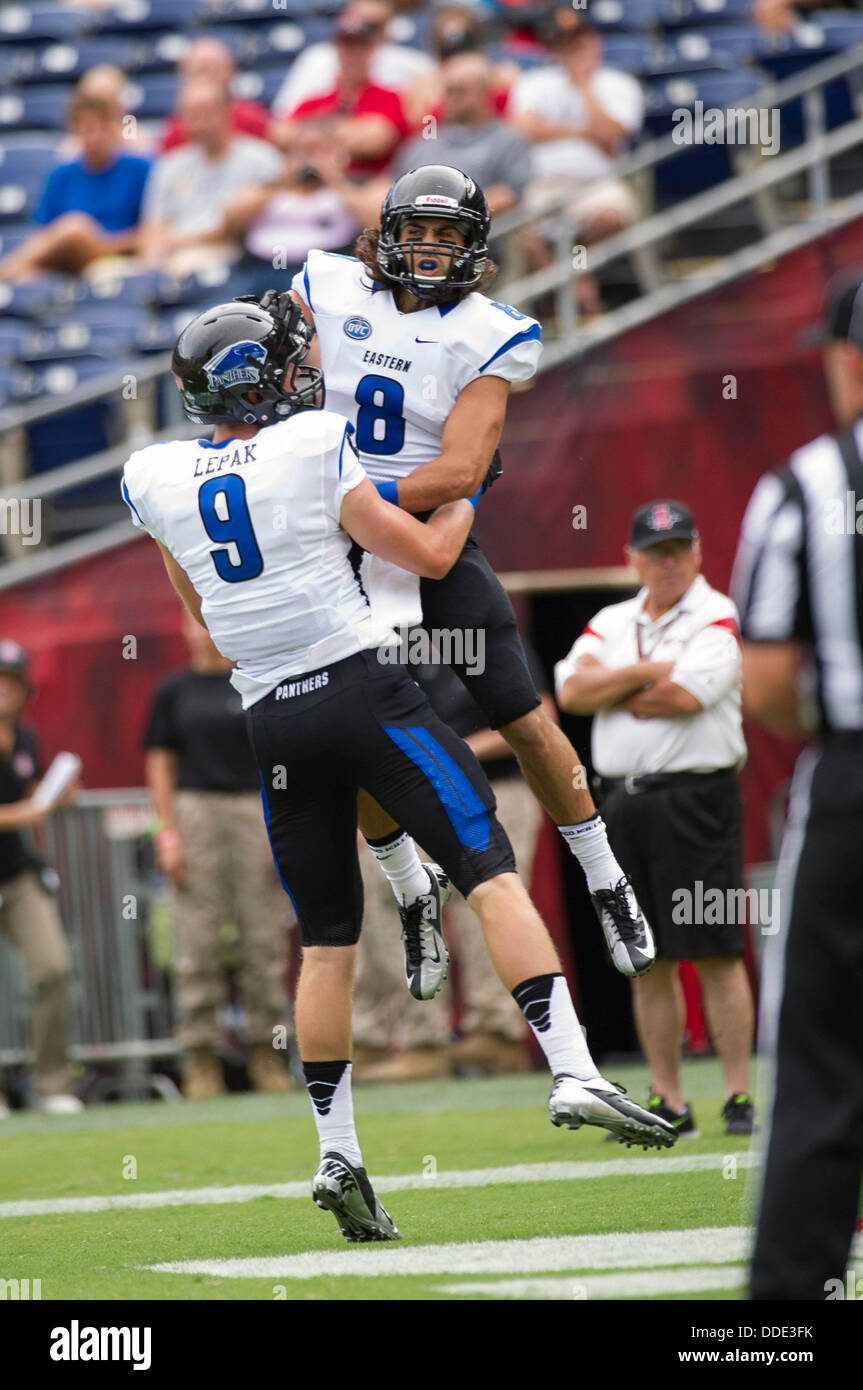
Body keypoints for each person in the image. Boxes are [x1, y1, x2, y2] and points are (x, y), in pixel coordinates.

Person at [121, 297, 677, 1240]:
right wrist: (464, 494)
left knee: (327, 942)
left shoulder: (156, 476)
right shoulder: (313, 445)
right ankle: (573, 1067)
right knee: (492, 873)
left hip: (270, 721)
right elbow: (423, 549)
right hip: (362, 690)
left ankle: (338, 1150)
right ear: (262, 380)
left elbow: (201, 613)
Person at [285, 162, 657, 1016]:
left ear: (473, 247)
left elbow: (458, 469)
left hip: (422, 534)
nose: (426, 248)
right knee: (355, 732)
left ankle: (603, 875)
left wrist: (341, 498)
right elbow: (276, 395)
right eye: (414, 230)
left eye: (446, 235)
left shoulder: (492, 331)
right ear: (383, 233)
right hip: (331, 550)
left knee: (523, 716)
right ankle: (410, 885)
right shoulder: (327, 283)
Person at [733, 271, 863, 1299]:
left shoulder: (803, 487)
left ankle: (786, 1310)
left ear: (840, 358)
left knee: (818, 1063)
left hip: (853, 780)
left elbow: (766, 684)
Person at [555, 501, 755, 1138]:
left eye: (678, 549)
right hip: (623, 802)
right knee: (645, 956)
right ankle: (669, 1099)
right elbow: (570, 693)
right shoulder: (613, 618)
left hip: (697, 798)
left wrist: (614, 683)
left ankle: (738, 1094)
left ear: (695, 552)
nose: (667, 562)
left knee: (717, 950)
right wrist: (646, 671)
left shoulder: (717, 613)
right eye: (655, 550)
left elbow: (686, 697)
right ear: (632, 557)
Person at [353, 643, 550, 1082]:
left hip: (496, 791)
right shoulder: (386, 638)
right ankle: (420, 1038)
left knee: (489, 906)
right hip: (414, 798)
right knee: (391, 900)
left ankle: (497, 1034)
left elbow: (540, 716)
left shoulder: (483, 627)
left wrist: (457, 750)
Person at [145, 609, 295, 1100]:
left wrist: (284, 826)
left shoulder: (253, 680)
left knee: (264, 935)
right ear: (184, 629)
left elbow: (279, 757)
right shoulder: (175, 691)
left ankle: (265, 1053)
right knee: (198, 938)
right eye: (195, 622)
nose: (203, 633)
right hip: (196, 812)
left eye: (210, 622)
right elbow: (160, 762)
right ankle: (201, 1056)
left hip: (255, 809)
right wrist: (168, 834)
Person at [507, 7, 643, 312]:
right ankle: (577, 288)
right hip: (541, 187)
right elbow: (522, 129)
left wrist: (584, 87)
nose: (573, 49)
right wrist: (583, 133)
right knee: (516, 227)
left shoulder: (618, 82)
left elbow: (611, 134)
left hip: (596, 186)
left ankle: (565, 287)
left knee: (613, 215)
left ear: (594, 41)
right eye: (565, 42)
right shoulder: (536, 80)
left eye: (579, 41)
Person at [0, 642, 82, 1117]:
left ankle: (50, 1083)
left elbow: (34, 795)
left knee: (53, 969)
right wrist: (28, 812)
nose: (4, 690)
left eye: (11, 681)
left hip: (17, 873)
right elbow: (25, 808)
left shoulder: (26, 738)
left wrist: (58, 796)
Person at [0, 92, 149, 282]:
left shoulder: (139, 168)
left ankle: (4, 272)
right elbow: (43, 233)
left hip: (117, 256)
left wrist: (105, 243)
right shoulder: (61, 173)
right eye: (86, 130)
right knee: (27, 275)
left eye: (100, 128)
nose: (93, 137)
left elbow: (151, 230)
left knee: (75, 227)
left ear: (113, 127)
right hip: (64, 262)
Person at [138, 80, 283, 276]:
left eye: (206, 114)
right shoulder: (169, 165)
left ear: (226, 112)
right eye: (191, 115)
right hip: (171, 257)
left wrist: (177, 243)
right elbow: (154, 226)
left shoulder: (262, 159)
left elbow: (232, 231)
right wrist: (152, 264)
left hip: (234, 259)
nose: (199, 124)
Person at [271, 7, 410, 182]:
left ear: (371, 50)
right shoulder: (315, 100)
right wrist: (344, 131)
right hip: (315, 184)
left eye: (359, 47)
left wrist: (314, 135)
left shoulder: (389, 97)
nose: (352, 55)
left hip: (364, 183)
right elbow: (279, 133)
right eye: (346, 47)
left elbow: (377, 140)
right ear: (337, 50)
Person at [393, 52, 531, 215]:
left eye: (460, 90)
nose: (450, 98)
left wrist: (446, 214)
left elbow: (509, 196)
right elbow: (394, 191)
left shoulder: (508, 141)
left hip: (482, 234)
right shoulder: (423, 142)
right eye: (448, 90)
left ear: (484, 93)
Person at [271, 0, 435, 127]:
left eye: (372, 26)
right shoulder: (317, 57)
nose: (352, 52)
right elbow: (282, 122)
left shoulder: (414, 64)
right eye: (355, 21)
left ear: (386, 28)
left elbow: (416, 123)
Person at [160, 37, 271, 153]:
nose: (207, 77)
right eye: (202, 69)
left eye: (215, 68)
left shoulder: (252, 118)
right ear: (183, 74)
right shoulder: (176, 130)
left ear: (231, 71)